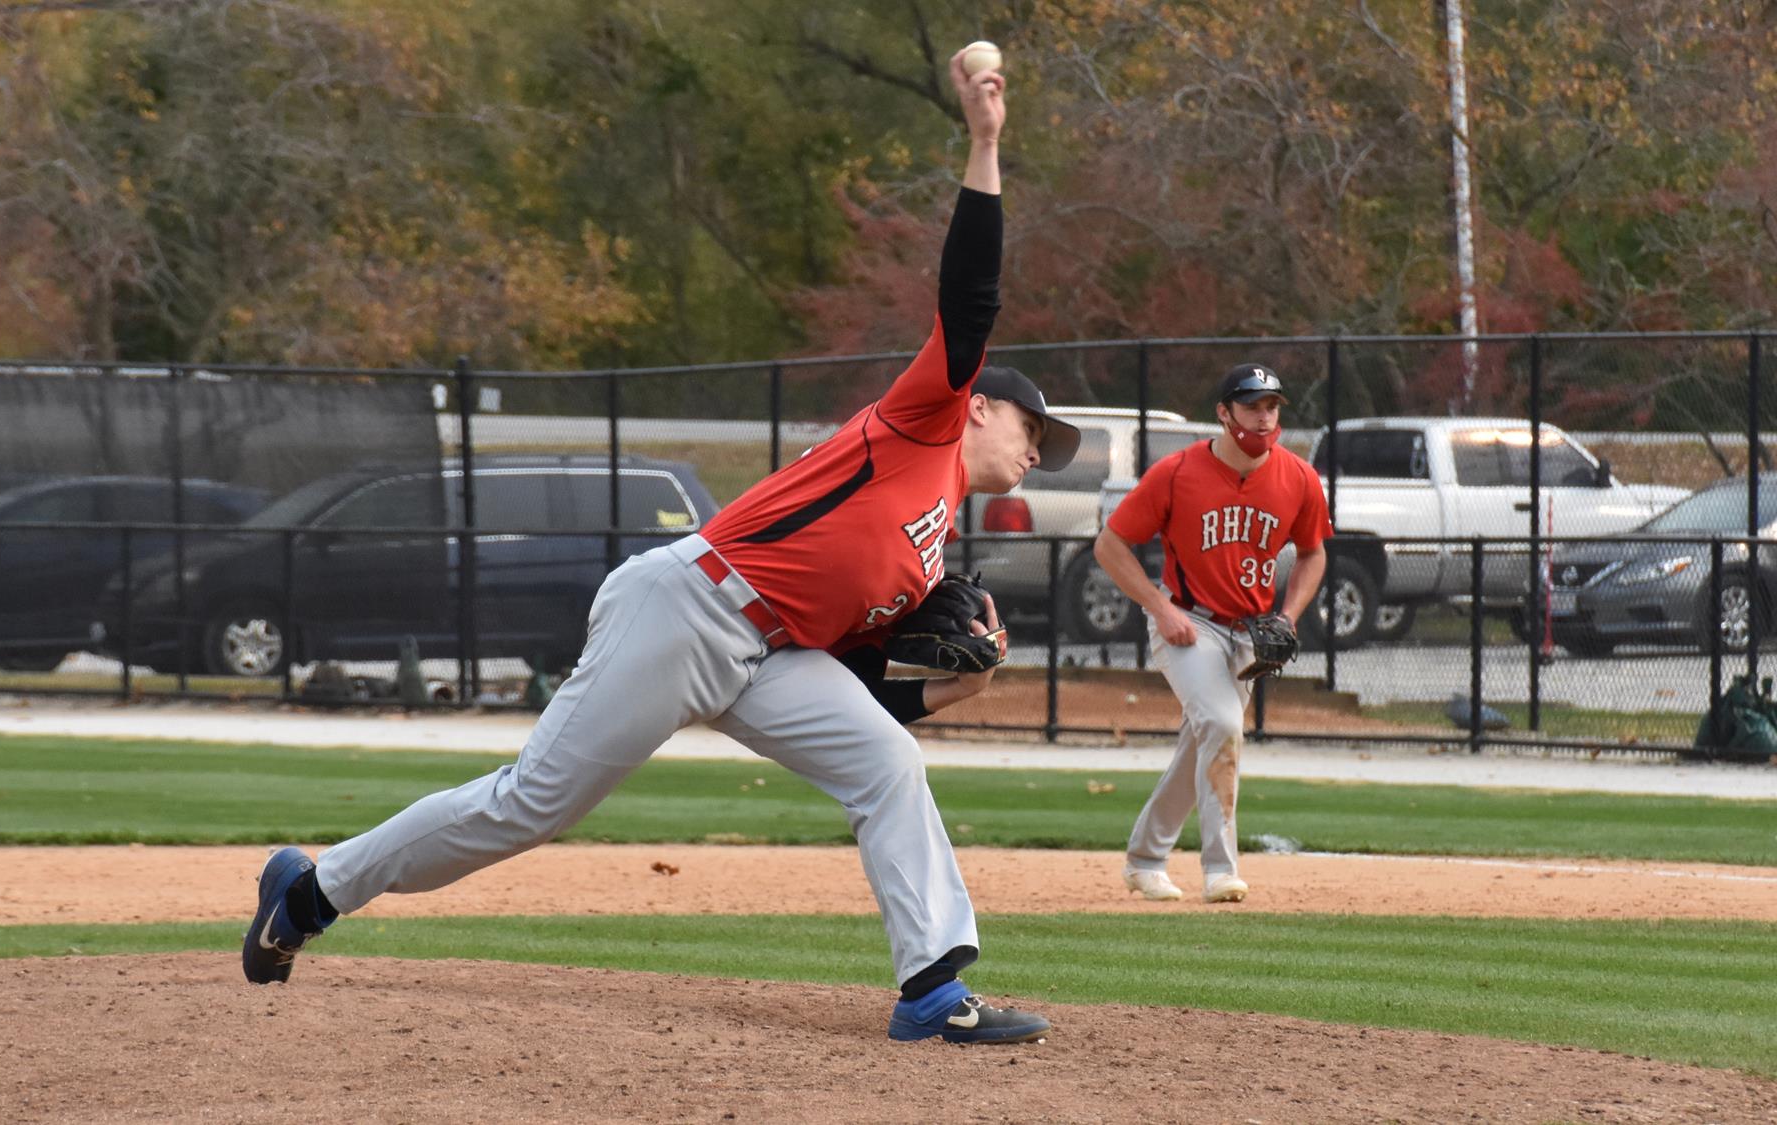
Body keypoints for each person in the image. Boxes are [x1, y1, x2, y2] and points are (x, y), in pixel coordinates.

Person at [243, 46, 1083, 1046]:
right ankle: (311, 892)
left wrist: (947, 691)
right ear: (979, 406)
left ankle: (932, 993)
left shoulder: (926, 553)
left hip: (762, 655)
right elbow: (970, 298)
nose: (1039, 451)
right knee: (530, 806)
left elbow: (852, 689)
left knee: (885, 762)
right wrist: (984, 146)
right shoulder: (926, 422)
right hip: (687, 606)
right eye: (1033, 431)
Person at [1090, 364, 1330, 904]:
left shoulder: (1298, 477)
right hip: (1187, 623)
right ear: (1224, 414)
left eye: (1271, 406)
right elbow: (1110, 544)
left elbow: (1314, 552)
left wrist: (1289, 616)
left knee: (1203, 743)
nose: (1264, 417)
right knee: (1223, 724)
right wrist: (1159, 607)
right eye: (1251, 406)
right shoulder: (1176, 473)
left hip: (1250, 634)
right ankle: (1220, 869)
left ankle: (1145, 858)